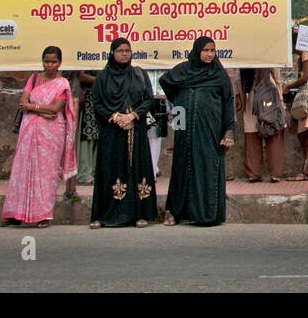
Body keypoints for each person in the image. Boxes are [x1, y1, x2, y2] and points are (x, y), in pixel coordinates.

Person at [160, 36, 234, 226]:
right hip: (184, 124)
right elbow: (166, 82)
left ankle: (206, 214)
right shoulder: (184, 69)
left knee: (206, 166)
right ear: (197, 50)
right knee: (182, 165)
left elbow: (227, 101)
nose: (210, 54)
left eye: (212, 50)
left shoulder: (218, 74)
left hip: (210, 128)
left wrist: (228, 131)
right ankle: (176, 212)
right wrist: (179, 101)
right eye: (206, 50)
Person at [0, 46, 76, 227]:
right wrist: (41, 111)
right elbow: (23, 102)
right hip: (29, 131)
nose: (49, 65)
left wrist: (33, 108)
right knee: (22, 172)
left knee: (46, 174)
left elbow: (55, 109)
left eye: (53, 62)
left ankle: (42, 215)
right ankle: (15, 215)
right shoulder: (33, 79)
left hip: (51, 133)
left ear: (60, 63)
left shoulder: (62, 83)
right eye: (46, 61)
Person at [89, 37, 158, 228]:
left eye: (127, 50)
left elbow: (148, 100)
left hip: (136, 130)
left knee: (137, 169)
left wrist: (132, 116)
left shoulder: (139, 74)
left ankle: (140, 215)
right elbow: (97, 102)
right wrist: (115, 118)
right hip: (112, 132)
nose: (124, 54)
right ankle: (105, 216)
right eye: (120, 50)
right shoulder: (103, 77)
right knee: (111, 170)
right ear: (112, 53)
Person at [241, 67, 287, 182]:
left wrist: (239, 94)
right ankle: (275, 173)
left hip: (251, 91)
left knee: (252, 132)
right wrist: (281, 98)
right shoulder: (269, 51)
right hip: (269, 92)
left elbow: (237, 76)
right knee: (273, 129)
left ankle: (253, 173)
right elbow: (277, 76)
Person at [284, 28, 308, 180]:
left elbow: (306, 77)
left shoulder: (306, 54)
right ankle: (307, 169)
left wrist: (288, 86)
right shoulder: (305, 55)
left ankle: (307, 171)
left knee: (306, 135)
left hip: (307, 100)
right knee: (305, 135)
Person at [74, 69, 99, 186]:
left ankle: (93, 171)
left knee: (97, 136)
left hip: (99, 98)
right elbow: (82, 76)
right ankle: (84, 173)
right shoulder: (84, 55)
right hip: (87, 98)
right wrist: (103, 80)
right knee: (87, 136)